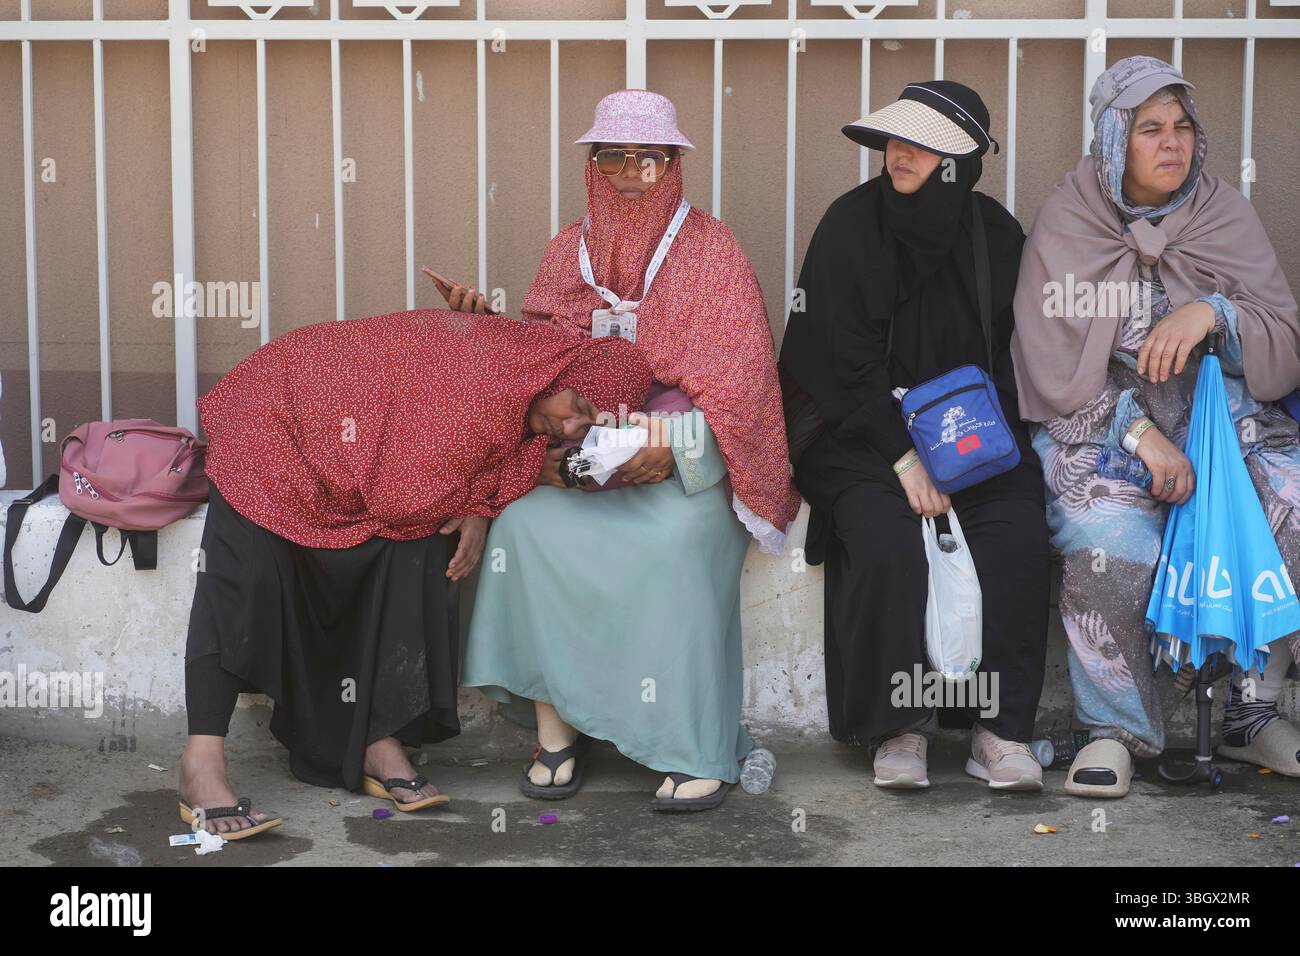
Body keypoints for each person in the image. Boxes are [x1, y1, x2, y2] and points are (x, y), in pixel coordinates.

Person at [446, 89, 800, 812]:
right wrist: (486, 335)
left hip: (685, 468)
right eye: (615, 155)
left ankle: (689, 747)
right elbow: (536, 373)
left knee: (670, 546)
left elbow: (742, 389)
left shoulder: (712, 250)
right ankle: (557, 732)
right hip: (588, 462)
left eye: (650, 157)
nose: (631, 171)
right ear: (593, 164)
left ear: (673, 164)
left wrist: (675, 451)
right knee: (523, 529)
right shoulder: (564, 252)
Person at [177, 308, 649, 838]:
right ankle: (202, 764)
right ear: (555, 375)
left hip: (343, 457)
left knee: (424, 543)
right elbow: (403, 499)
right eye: (575, 406)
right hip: (271, 426)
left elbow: (439, 478)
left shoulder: (519, 384)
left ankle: (377, 739)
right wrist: (485, 498)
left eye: (584, 428)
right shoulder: (487, 386)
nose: (568, 428)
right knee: (244, 576)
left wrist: (479, 503)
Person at [1011, 56, 1300, 798]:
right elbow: (1047, 370)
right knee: (1111, 537)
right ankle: (1113, 729)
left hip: (1222, 421)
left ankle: (1250, 712)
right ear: (1114, 140)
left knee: (1290, 508)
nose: (1171, 144)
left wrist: (1217, 313)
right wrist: (1140, 434)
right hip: (1100, 430)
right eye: (1150, 130)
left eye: (1182, 128)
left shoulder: (1222, 214)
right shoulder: (1067, 222)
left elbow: (1284, 336)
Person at [780, 81, 1050, 791]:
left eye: (924, 145)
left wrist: (971, 445)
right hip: (861, 431)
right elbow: (840, 360)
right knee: (886, 540)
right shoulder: (850, 225)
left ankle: (999, 730)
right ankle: (901, 726)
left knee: (1016, 534)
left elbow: (1015, 357)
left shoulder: (996, 236)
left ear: (960, 164)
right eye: (897, 138)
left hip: (970, 429)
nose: (900, 152)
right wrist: (903, 456)